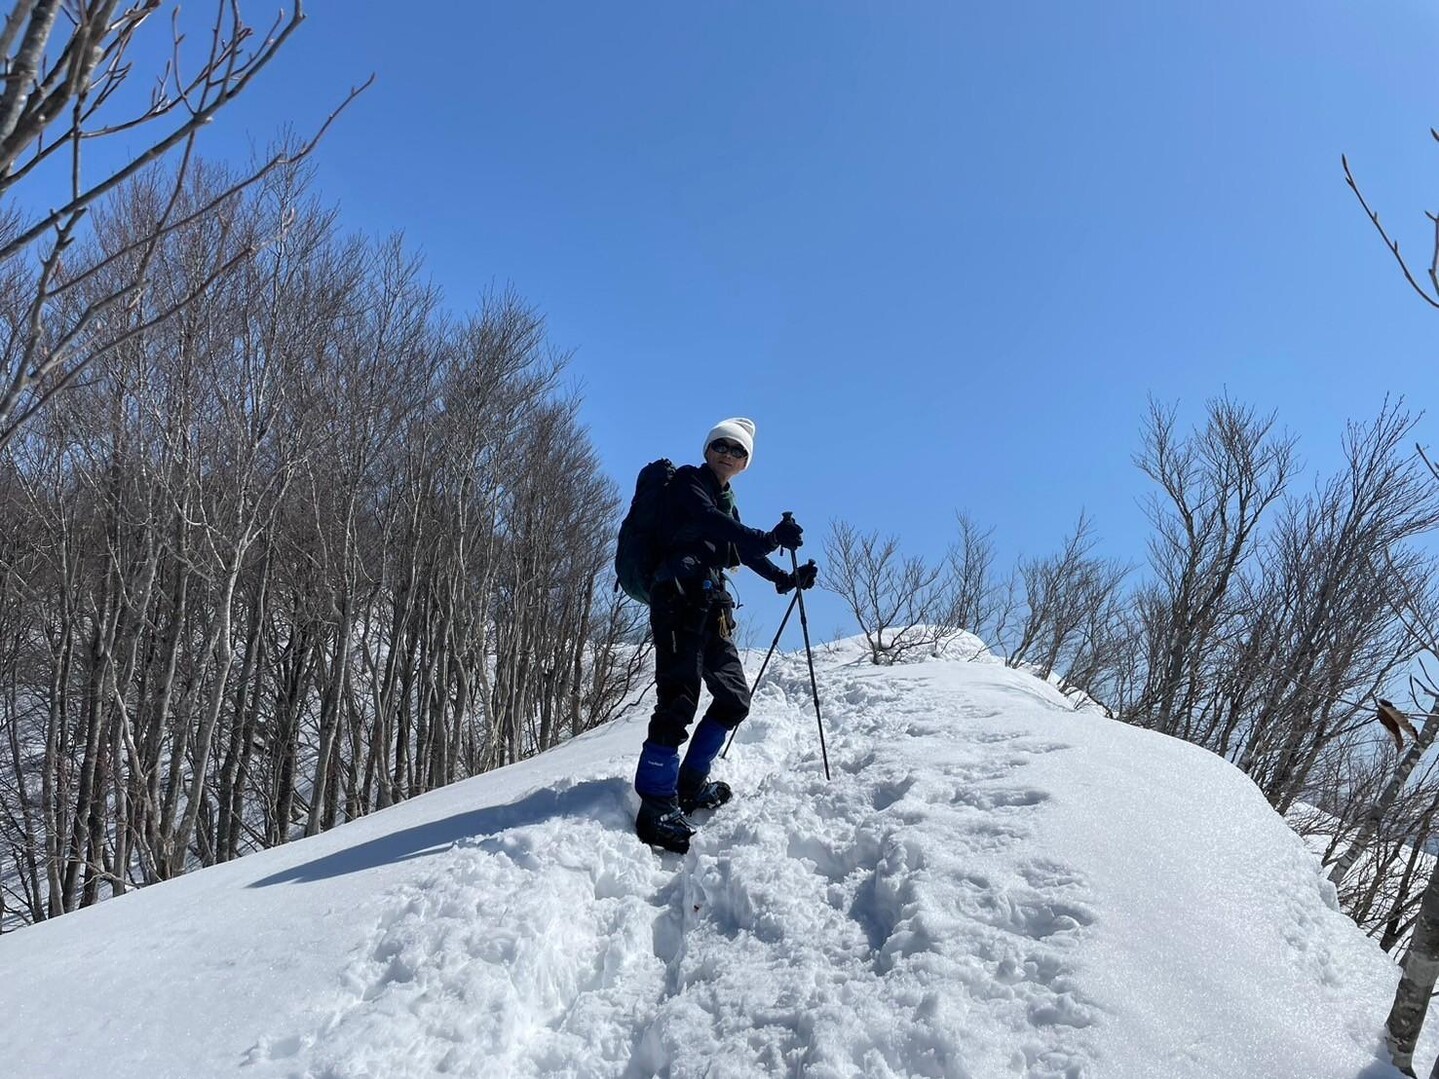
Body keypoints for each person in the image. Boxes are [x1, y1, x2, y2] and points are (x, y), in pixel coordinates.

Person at [632, 417, 818, 852]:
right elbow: (712, 523)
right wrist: (770, 537)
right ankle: (655, 804)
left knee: (734, 699)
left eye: (738, 451)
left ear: (745, 462)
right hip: (677, 602)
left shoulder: (725, 501)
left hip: (711, 607)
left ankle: (690, 784)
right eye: (721, 445)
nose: (728, 454)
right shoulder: (688, 483)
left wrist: (783, 579)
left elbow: (739, 547)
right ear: (707, 449)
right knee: (678, 701)